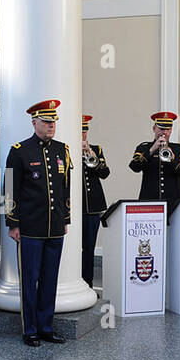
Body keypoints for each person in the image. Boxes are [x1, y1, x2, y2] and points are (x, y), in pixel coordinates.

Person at [6, 100, 71, 347]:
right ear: (34, 123)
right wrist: (13, 223)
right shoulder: (20, 150)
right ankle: (30, 329)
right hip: (30, 227)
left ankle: (46, 326)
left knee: (49, 278)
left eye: (53, 121)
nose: (51, 125)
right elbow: (10, 188)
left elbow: (65, 188)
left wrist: (65, 219)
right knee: (29, 280)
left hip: (54, 227)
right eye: (46, 122)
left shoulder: (62, 150)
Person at [129, 111, 180, 212]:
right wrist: (152, 150)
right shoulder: (144, 147)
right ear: (154, 129)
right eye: (161, 129)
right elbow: (134, 167)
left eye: (167, 129)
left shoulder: (179, 149)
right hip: (149, 201)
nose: (164, 132)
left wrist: (174, 158)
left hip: (172, 202)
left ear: (171, 131)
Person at [80, 115, 110, 288]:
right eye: (80, 131)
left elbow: (104, 173)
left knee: (89, 248)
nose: (82, 134)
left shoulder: (96, 150)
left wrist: (91, 156)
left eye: (85, 130)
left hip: (93, 206)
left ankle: (88, 284)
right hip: (74, 207)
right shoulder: (66, 150)